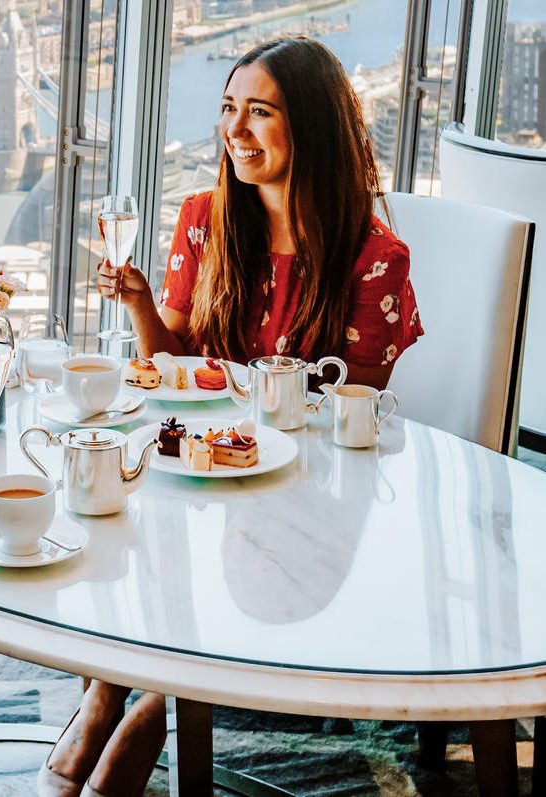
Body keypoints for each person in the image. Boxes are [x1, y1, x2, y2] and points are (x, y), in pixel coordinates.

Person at [39, 37, 423, 797]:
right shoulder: (201, 219)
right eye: (226, 110)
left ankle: (143, 694)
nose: (233, 130)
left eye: (258, 112)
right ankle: (113, 688)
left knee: (166, 547)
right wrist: (141, 302)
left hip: (306, 497)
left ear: (306, 126)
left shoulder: (373, 256)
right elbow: (171, 363)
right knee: (119, 511)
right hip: (198, 465)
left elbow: (359, 411)